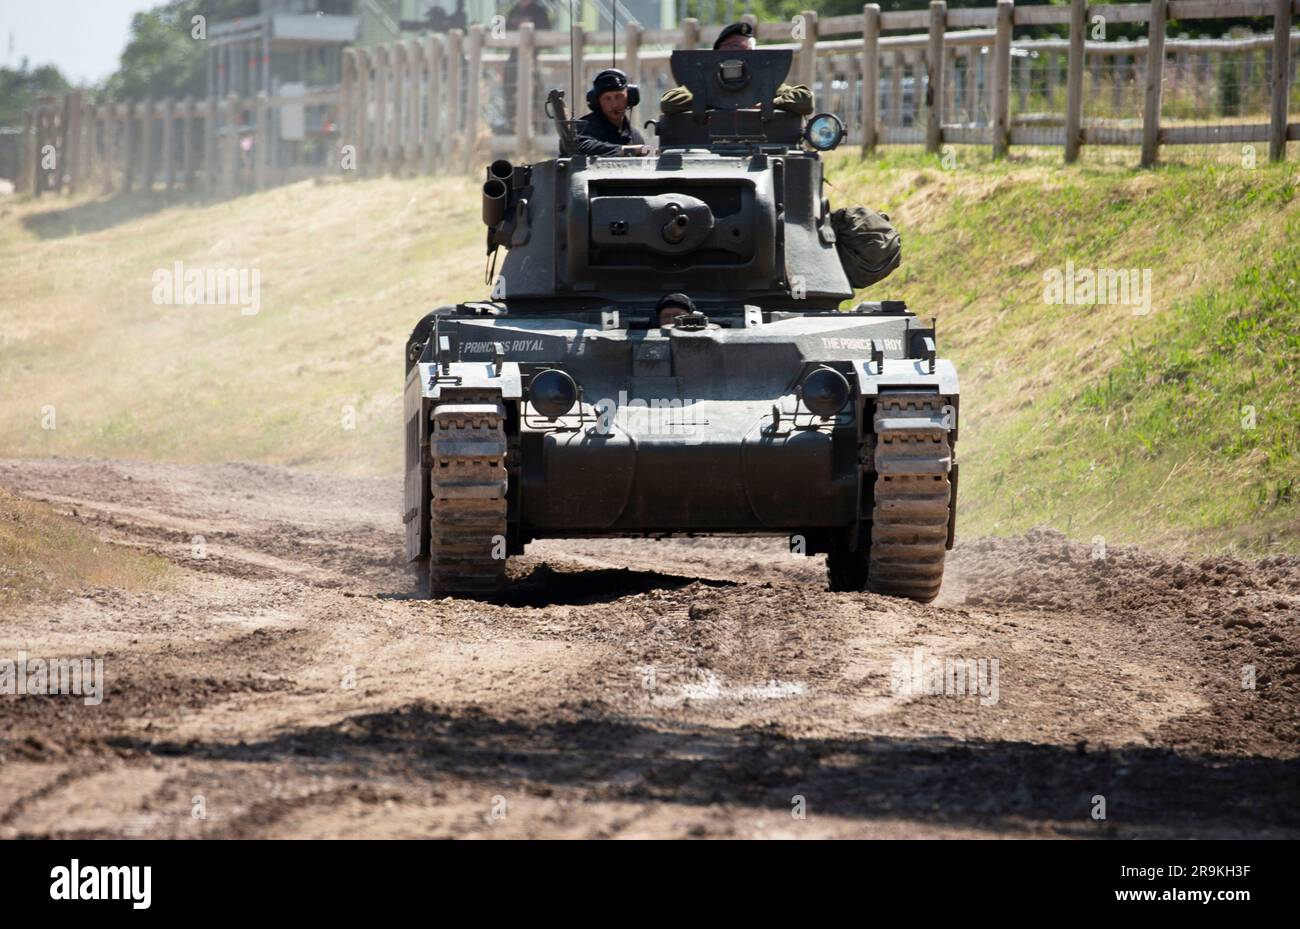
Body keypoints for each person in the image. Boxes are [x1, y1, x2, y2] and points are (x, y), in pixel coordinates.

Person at [660, 21, 814, 116]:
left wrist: (768, 103)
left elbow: (804, 100)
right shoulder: (704, 85)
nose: (732, 52)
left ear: (753, 54)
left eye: (738, 47)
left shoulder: (763, 84)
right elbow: (669, 102)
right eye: (726, 47)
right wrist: (715, 99)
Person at [574, 69, 648, 157]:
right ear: (597, 102)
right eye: (607, 98)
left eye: (619, 96)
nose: (614, 104)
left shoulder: (635, 137)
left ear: (630, 97)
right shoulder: (583, 128)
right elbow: (579, 147)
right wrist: (626, 150)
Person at [503, 0, 551, 130]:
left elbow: (547, 35)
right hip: (513, 60)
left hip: (532, 60)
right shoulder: (513, 11)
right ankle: (511, 126)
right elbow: (504, 34)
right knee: (510, 94)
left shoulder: (539, 10)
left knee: (534, 96)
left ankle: (538, 128)